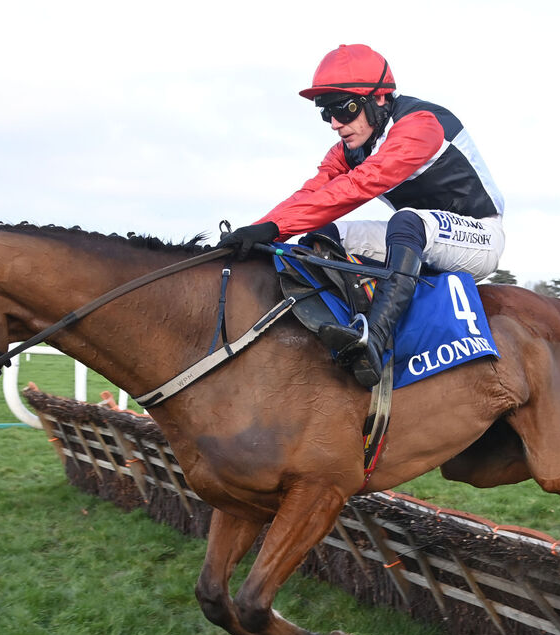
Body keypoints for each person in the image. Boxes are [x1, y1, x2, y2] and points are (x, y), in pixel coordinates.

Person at [216, 43, 505, 387]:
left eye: (345, 110)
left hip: (479, 238)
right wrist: (260, 230)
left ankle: (375, 341)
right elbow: (312, 194)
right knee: (325, 233)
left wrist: (277, 227)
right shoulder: (350, 148)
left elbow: (357, 187)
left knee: (407, 221)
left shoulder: (421, 126)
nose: (336, 124)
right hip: (421, 237)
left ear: (379, 98)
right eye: (327, 113)